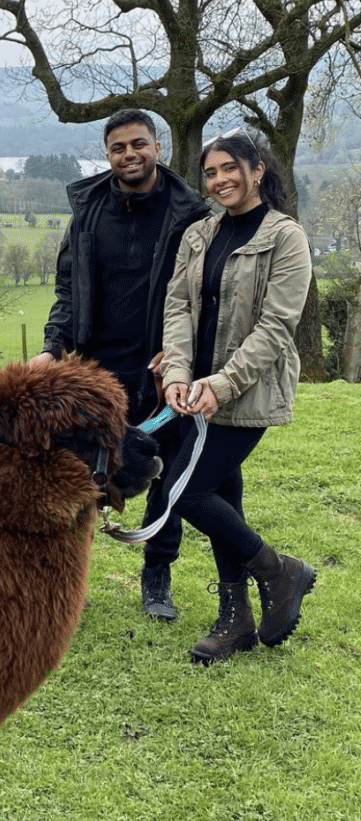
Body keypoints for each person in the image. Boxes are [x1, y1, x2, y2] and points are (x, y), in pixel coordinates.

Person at [33, 109, 210, 620]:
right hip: (96, 368)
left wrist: (181, 354)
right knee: (80, 473)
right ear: (107, 155)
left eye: (138, 144)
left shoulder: (190, 214)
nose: (129, 154)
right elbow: (68, 289)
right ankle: (69, 578)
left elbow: (204, 297)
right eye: (118, 148)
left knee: (161, 469)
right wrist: (52, 346)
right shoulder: (87, 212)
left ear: (158, 148)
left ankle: (157, 575)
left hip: (159, 371)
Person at [160, 127, 315, 664]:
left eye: (231, 168)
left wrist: (221, 385)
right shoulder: (199, 235)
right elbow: (178, 307)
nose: (220, 179)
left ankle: (280, 571)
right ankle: (237, 619)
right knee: (222, 498)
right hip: (190, 394)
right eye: (211, 171)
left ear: (258, 171)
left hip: (241, 395)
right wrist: (177, 374)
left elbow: (276, 328)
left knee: (185, 492)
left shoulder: (285, 238)